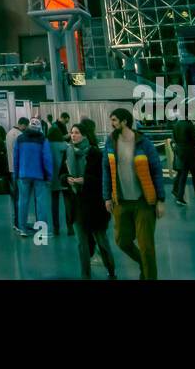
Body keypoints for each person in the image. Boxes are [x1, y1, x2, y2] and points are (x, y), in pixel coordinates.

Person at [103, 108, 164, 279]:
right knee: (122, 240)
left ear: (124, 122)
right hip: (121, 202)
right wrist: (107, 196)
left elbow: (156, 171)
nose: (111, 124)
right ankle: (142, 264)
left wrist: (160, 200)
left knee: (147, 247)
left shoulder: (143, 143)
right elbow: (106, 170)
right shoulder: (110, 142)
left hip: (143, 202)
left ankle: (149, 275)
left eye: (114, 120)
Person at [66, 119, 116, 279]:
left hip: (94, 205)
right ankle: (85, 275)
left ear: (84, 135)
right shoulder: (68, 153)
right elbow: (61, 173)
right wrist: (66, 178)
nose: (73, 135)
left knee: (101, 240)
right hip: (77, 204)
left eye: (76, 133)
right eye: (72, 132)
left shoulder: (94, 153)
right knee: (82, 243)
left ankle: (111, 270)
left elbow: (102, 178)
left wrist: (85, 180)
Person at [13, 118, 54, 237]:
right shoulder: (43, 140)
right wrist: (49, 176)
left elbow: (16, 158)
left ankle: (23, 229)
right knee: (41, 202)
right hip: (39, 175)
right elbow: (47, 158)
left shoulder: (20, 139)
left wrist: (16, 174)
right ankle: (42, 231)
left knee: (23, 201)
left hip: (23, 174)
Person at [47, 122, 74, 234]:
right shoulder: (66, 146)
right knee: (68, 202)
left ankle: (56, 227)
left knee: (54, 203)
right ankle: (70, 227)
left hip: (52, 178)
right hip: (64, 177)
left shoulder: (47, 145)